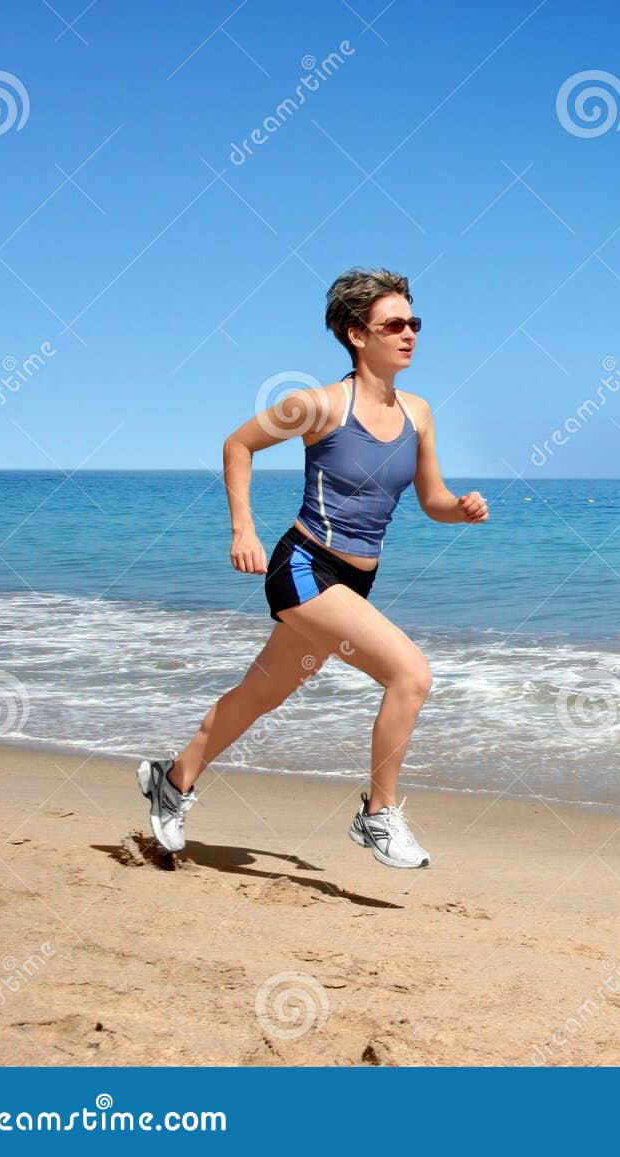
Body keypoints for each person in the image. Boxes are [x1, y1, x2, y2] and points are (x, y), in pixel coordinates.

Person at [137, 267, 488, 868]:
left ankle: (173, 779)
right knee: (411, 674)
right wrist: (241, 529)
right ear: (357, 333)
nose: (410, 334)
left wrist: (459, 510)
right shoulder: (322, 405)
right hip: (303, 567)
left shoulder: (420, 413)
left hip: (356, 580)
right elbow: (238, 445)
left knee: (260, 695)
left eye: (414, 323)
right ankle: (377, 815)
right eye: (394, 325)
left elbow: (431, 500)